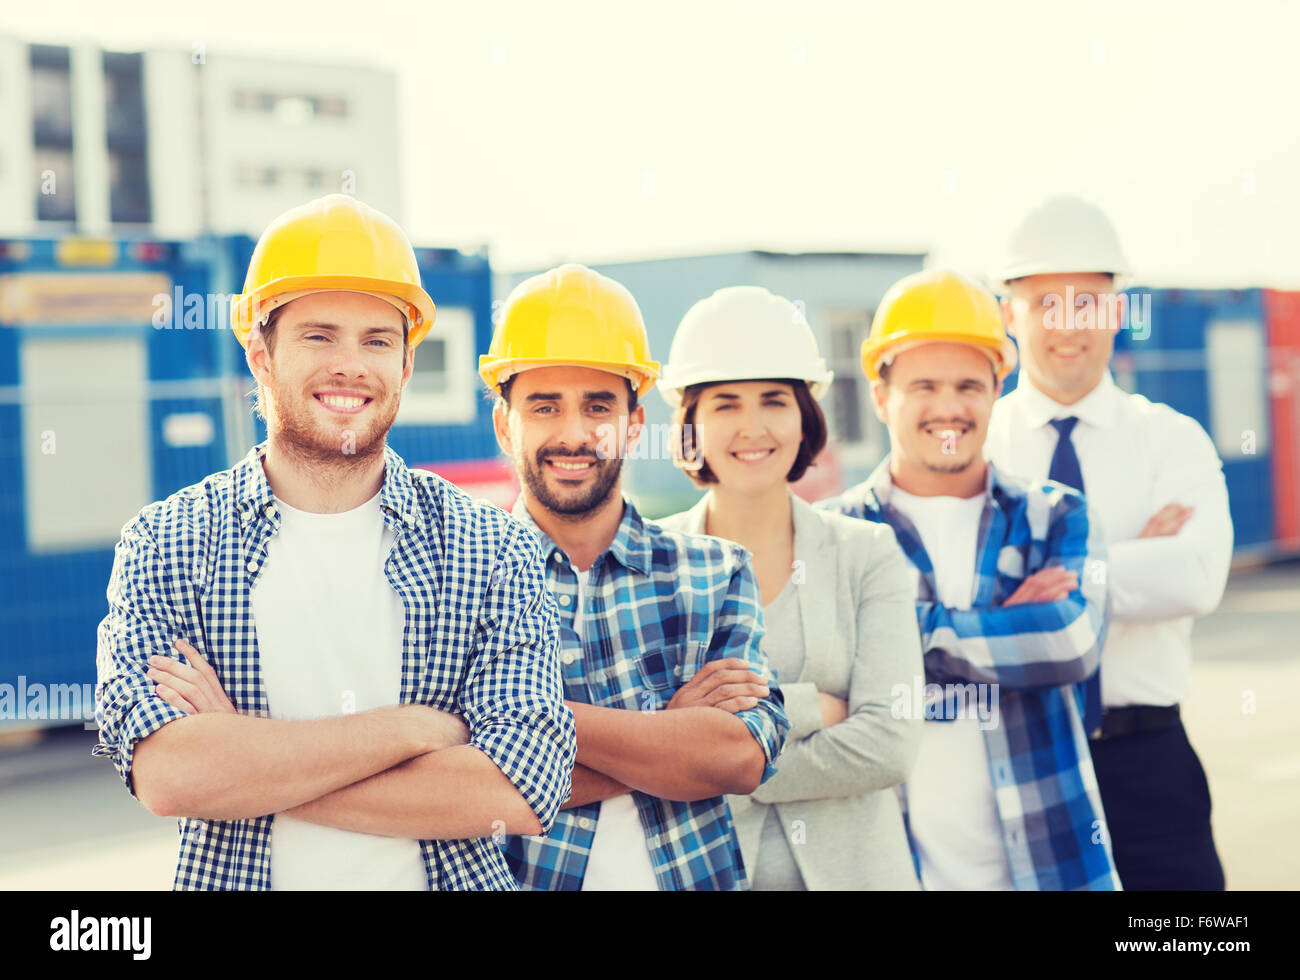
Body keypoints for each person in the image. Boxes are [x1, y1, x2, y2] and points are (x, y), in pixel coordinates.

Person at [93, 194, 576, 890]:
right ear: (261, 356)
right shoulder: (167, 542)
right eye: (320, 336)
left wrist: (245, 763)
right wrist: (412, 729)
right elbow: (170, 774)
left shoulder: (491, 548)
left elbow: (517, 791)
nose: (351, 365)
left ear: (407, 365)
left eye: (377, 340)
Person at [483, 264, 790, 890]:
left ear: (633, 424)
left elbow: (738, 757)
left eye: (597, 406)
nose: (574, 434)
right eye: (545, 407)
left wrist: (522, 724)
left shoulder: (715, 573)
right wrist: (668, 727)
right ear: (504, 425)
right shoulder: (464, 584)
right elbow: (453, 786)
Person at [820, 267, 1120, 890]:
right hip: (895, 871)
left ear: (995, 390)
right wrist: (1006, 627)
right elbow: (805, 688)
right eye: (923, 386)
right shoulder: (830, 537)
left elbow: (1070, 641)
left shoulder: (1054, 514)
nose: (949, 408)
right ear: (881, 395)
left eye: (968, 385)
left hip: (1054, 868)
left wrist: (884, 641)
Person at [986, 195, 1232, 890]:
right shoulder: (980, 446)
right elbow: (957, 596)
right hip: (1016, 751)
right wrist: (1129, 558)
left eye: (1088, 303)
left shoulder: (1171, 438)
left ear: (1118, 311)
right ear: (1009, 315)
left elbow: (1195, 576)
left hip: (1149, 760)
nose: (1069, 326)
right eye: (1045, 304)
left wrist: (1041, 585)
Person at [655, 286, 923, 890]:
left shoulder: (867, 554)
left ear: (806, 417)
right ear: (691, 423)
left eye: (774, 401)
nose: (753, 427)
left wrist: (716, 761)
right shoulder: (651, 562)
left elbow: (889, 743)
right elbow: (644, 742)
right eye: (725, 404)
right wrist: (811, 708)